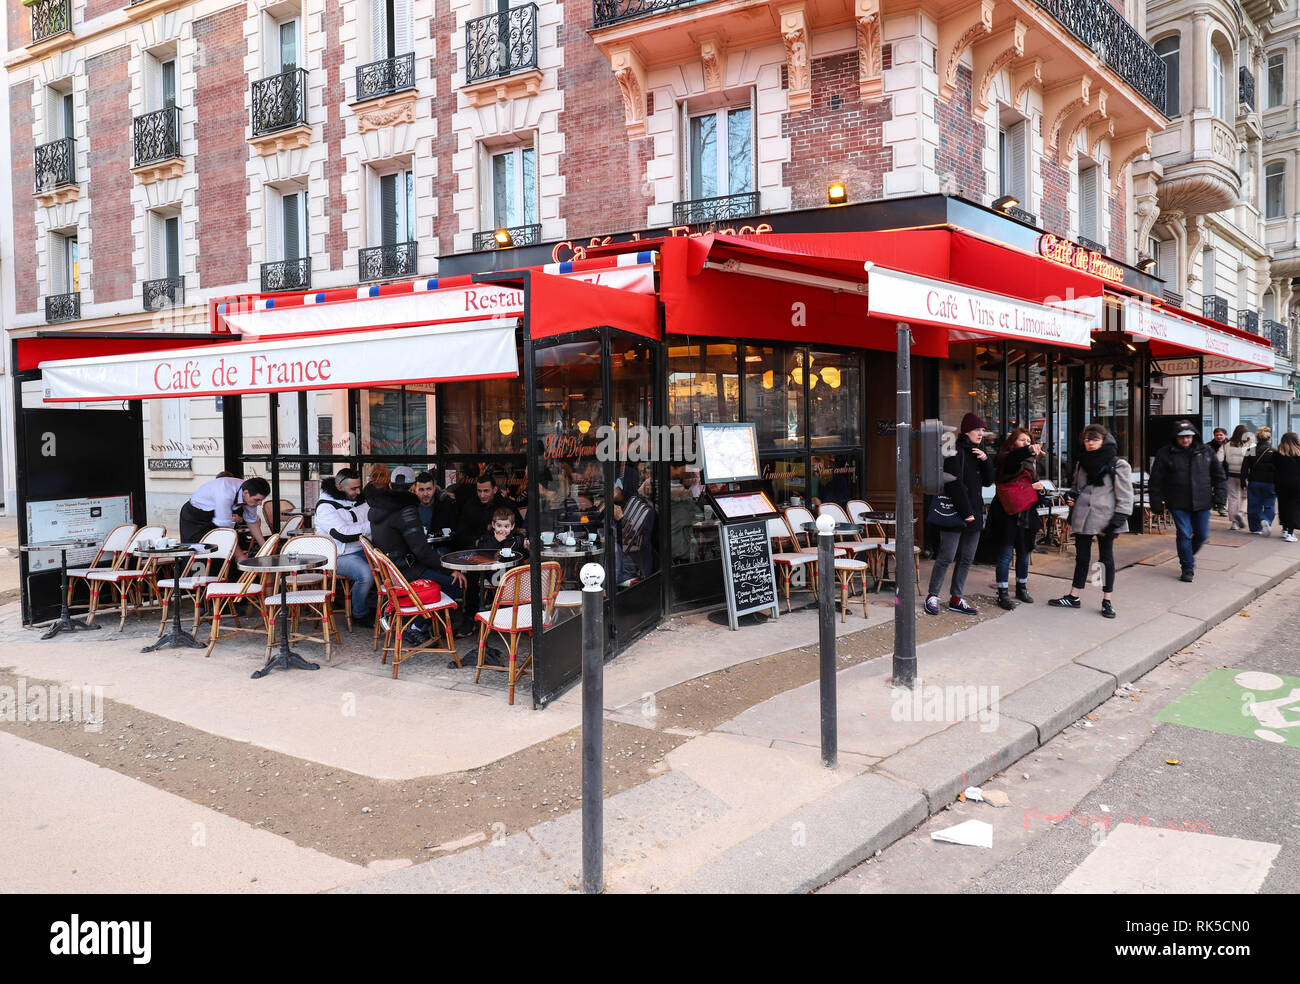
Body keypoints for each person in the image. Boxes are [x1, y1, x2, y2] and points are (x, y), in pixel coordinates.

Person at [367, 467, 466, 642]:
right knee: (457, 583)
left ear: (390, 485)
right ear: (413, 487)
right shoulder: (406, 510)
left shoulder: (377, 508)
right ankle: (417, 625)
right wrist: (449, 570)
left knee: (440, 574)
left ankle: (424, 622)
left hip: (390, 574)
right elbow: (422, 551)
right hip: (407, 573)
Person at [1048, 424, 1133, 617]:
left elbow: (1125, 497)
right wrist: (1071, 495)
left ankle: (1106, 600)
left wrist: (1115, 523)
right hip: (1083, 517)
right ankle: (1074, 596)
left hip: (1106, 518)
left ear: (1104, 440)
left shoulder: (1118, 464)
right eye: (1087, 440)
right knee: (1082, 558)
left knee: (1105, 560)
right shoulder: (1082, 462)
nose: (1091, 443)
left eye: (1095, 439)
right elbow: (1077, 488)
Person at [924, 412, 995, 616]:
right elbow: (953, 483)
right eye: (977, 429)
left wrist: (985, 460)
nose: (981, 433)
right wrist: (966, 513)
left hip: (974, 512)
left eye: (982, 429)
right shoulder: (954, 450)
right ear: (966, 431)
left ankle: (956, 598)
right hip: (957, 512)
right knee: (946, 556)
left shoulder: (978, 452)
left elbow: (989, 481)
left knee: (966, 559)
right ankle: (933, 596)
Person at [1147, 420, 1226, 582]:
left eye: (1189, 437)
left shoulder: (1206, 451)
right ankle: (1187, 567)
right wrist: (1155, 501)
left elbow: (1219, 476)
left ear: (1194, 436)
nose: (1185, 440)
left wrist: (1220, 498)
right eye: (1182, 437)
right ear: (1175, 437)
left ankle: (1187, 554)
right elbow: (1155, 480)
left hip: (1203, 501)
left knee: (1202, 535)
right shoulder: (1165, 453)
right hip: (1177, 501)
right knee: (1183, 533)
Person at [986, 428, 1045, 610]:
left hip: (1026, 516)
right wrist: (1028, 450)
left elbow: (1038, 496)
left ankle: (1021, 588)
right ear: (1012, 444)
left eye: (1029, 440)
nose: (1027, 443)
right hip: (1007, 515)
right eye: (1022, 440)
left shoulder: (1031, 464)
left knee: (1024, 553)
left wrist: (1040, 489)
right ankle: (1003, 593)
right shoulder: (1007, 459)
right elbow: (1013, 459)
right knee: (1005, 555)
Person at [313, 468, 374, 627]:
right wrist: (370, 526)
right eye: (353, 488)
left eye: (359, 487)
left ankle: (379, 607)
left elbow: (371, 520)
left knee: (394, 565)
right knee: (366, 574)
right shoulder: (325, 507)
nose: (358, 491)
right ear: (340, 487)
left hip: (363, 550)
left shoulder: (359, 499)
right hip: (338, 556)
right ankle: (359, 614)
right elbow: (343, 534)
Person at [179, 475, 269, 560]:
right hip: (194, 518)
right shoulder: (225, 494)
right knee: (197, 553)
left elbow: (252, 522)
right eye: (257, 500)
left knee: (220, 554)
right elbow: (225, 530)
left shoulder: (250, 491)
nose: (260, 503)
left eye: (261, 500)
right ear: (245, 493)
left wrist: (266, 549)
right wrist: (240, 556)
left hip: (213, 516)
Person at [453, 473, 520, 549]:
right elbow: (460, 533)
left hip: (501, 549)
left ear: (495, 490)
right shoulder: (470, 505)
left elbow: (518, 528)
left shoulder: (506, 505)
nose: (482, 495)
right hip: (474, 549)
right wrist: (476, 542)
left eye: (486, 491)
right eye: (479, 491)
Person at [613, 465, 654, 583]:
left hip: (633, 567)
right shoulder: (628, 504)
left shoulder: (643, 508)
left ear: (624, 486)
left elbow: (637, 544)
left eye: (616, 486)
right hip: (625, 561)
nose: (613, 490)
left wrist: (620, 520)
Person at [1242, 426, 1277, 536]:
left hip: (1254, 481)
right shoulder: (1274, 452)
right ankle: (1266, 519)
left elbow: (1244, 468)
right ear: (1269, 439)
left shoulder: (1250, 450)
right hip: (1270, 482)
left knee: (1253, 504)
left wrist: (1243, 481)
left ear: (1257, 438)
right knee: (1269, 504)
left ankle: (1255, 528)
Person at [1218, 424, 1255, 531]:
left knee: (1233, 498)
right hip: (1245, 475)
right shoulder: (1250, 445)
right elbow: (1252, 461)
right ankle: (1241, 513)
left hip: (1231, 474)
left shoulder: (1226, 445)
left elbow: (1218, 459)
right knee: (1246, 496)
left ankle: (1234, 523)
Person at [1272, 432, 1300, 542]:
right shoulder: (1298, 453)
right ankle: (1290, 533)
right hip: (1296, 484)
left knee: (1283, 505)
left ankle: (1284, 529)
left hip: (1280, 483)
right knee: (1294, 507)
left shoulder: (1277, 453)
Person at [411, 471, 459, 537]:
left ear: (434, 489)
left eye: (429, 489)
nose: (425, 494)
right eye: (421, 490)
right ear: (415, 490)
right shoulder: (409, 508)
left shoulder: (446, 506)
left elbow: (455, 531)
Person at [1208, 428, 1228, 515]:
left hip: (1225, 470)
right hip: (1211, 470)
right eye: (1217, 435)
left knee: (1222, 489)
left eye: (1221, 435)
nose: (1219, 437)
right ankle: (1211, 505)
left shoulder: (1230, 445)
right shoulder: (1208, 446)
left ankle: (1221, 507)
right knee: (1209, 489)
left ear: (1225, 435)